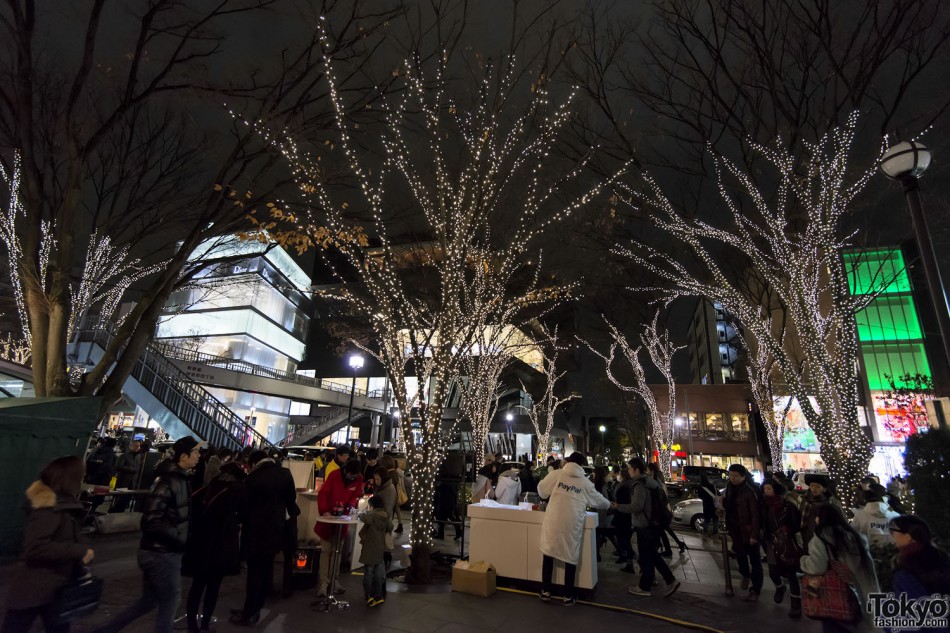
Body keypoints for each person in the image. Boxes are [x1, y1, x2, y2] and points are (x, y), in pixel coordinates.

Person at [96, 437, 203, 633]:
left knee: (149, 601)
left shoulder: (179, 479)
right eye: (196, 452)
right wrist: (179, 538)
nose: (199, 456)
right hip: (162, 552)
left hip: (159, 550)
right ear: (184, 456)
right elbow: (151, 520)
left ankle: (106, 630)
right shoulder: (168, 481)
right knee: (170, 600)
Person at [2, 456, 94, 633]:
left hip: (54, 585)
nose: (83, 478)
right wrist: (79, 550)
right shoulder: (49, 505)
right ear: (69, 477)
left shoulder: (63, 503)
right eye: (81, 474)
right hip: (36, 586)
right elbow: (36, 547)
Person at [230, 450, 299, 625]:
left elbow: (243, 509)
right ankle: (256, 608)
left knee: (254, 574)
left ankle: (249, 613)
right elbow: (291, 501)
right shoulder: (285, 474)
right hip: (277, 530)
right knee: (266, 568)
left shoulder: (252, 479)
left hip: (255, 532)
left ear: (254, 462)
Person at [537, 452, 610, 606]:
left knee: (548, 553)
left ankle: (545, 591)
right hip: (572, 523)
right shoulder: (585, 482)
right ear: (582, 465)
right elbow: (599, 501)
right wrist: (610, 505)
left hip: (553, 520)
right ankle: (568, 595)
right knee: (570, 556)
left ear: (569, 461)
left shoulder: (557, 475)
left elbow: (542, 491)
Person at [183, 463, 247, 632]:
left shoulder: (208, 487)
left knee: (197, 585)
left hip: (202, 542)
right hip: (222, 543)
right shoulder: (237, 490)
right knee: (214, 586)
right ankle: (205, 624)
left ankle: (191, 624)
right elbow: (242, 514)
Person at [800, 504, 879, 633]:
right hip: (859, 593)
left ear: (821, 518)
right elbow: (868, 569)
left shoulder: (821, 538)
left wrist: (803, 561)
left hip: (834, 596)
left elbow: (816, 568)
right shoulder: (856, 537)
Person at [614, 458, 680, 598]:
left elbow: (636, 506)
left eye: (630, 468)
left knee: (648, 556)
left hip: (645, 525)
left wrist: (618, 506)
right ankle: (651, 583)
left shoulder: (639, 485)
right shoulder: (651, 482)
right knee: (649, 556)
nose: (629, 471)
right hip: (655, 523)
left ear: (637, 469)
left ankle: (663, 582)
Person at [315, 460, 364, 598]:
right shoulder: (334, 475)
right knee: (326, 550)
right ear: (345, 471)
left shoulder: (359, 479)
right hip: (328, 519)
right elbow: (323, 493)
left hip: (342, 520)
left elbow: (355, 496)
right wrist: (325, 511)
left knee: (338, 550)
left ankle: (334, 580)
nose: (352, 478)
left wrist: (347, 508)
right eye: (350, 475)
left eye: (355, 476)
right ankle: (324, 583)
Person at [888, 514, 950, 622]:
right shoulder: (941, 557)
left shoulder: (905, 572)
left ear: (908, 536)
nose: (891, 534)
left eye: (893, 531)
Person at [760, 480, 803, 618]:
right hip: (770, 541)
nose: (766, 491)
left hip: (786, 543)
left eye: (769, 489)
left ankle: (795, 604)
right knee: (773, 571)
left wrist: (786, 532)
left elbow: (796, 523)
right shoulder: (762, 505)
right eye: (765, 489)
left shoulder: (787, 506)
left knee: (791, 574)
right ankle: (779, 587)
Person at [723, 464, 763, 601]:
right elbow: (728, 505)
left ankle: (755, 590)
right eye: (731, 475)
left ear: (743, 476)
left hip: (749, 530)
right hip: (735, 529)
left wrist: (755, 535)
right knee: (740, 556)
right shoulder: (729, 487)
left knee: (755, 561)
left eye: (735, 476)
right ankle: (745, 575)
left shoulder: (750, 490)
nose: (732, 478)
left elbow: (756, 515)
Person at [646, 462, 686, 557]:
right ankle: (678, 544)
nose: (646, 471)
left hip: (660, 511)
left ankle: (667, 549)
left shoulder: (654, 483)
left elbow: (660, 498)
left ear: (651, 471)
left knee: (662, 531)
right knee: (666, 530)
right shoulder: (658, 481)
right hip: (662, 511)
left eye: (647, 469)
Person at [358, 495, 390, 607]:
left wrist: (361, 513)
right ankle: (378, 596)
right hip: (379, 548)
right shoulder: (385, 516)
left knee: (368, 573)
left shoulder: (372, 516)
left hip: (370, 548)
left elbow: (365, 518)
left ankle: (369, 595)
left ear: (372, 506)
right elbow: (390, 526)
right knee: (378, 574)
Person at [800, 474, 845, 549]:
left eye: (818, 486)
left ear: (824, 489)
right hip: (807, 534)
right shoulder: (804, 500)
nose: (814, 489)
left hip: (827, 535)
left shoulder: (831, 501)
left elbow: (840, 519)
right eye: (812, 486)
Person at [850, 484, 899, 548]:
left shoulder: (860, 516)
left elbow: (853, 535)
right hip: (893, 553)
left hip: (870, 554)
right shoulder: (895, 515)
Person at [612, 466, 638, 573]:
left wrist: (617, 506)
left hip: (623, 517)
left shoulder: (623, 487)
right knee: (625, 540)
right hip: (627, 517)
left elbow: (622, 502)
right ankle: (629, 562)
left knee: (623, 540)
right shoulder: (630, 485)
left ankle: (634, 559)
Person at [110, 440, 145, 513]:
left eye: (138, 446)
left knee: (125, 502)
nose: (137, 448)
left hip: (132, 483)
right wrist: (132, 470)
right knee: (118, 501)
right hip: (123, 482)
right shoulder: (124, 456)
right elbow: (118, 466)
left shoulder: (139, 457)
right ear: (130, 446)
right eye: (135, 446)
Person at [697, 474, 720, 538]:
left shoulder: (701, 487)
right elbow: (718, 494)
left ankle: (705, 534)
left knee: (706, 520)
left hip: (707, 506)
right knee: (716, 520)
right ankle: (715, 535)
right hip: (715, 506)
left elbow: (700, 496)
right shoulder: (713, 486)